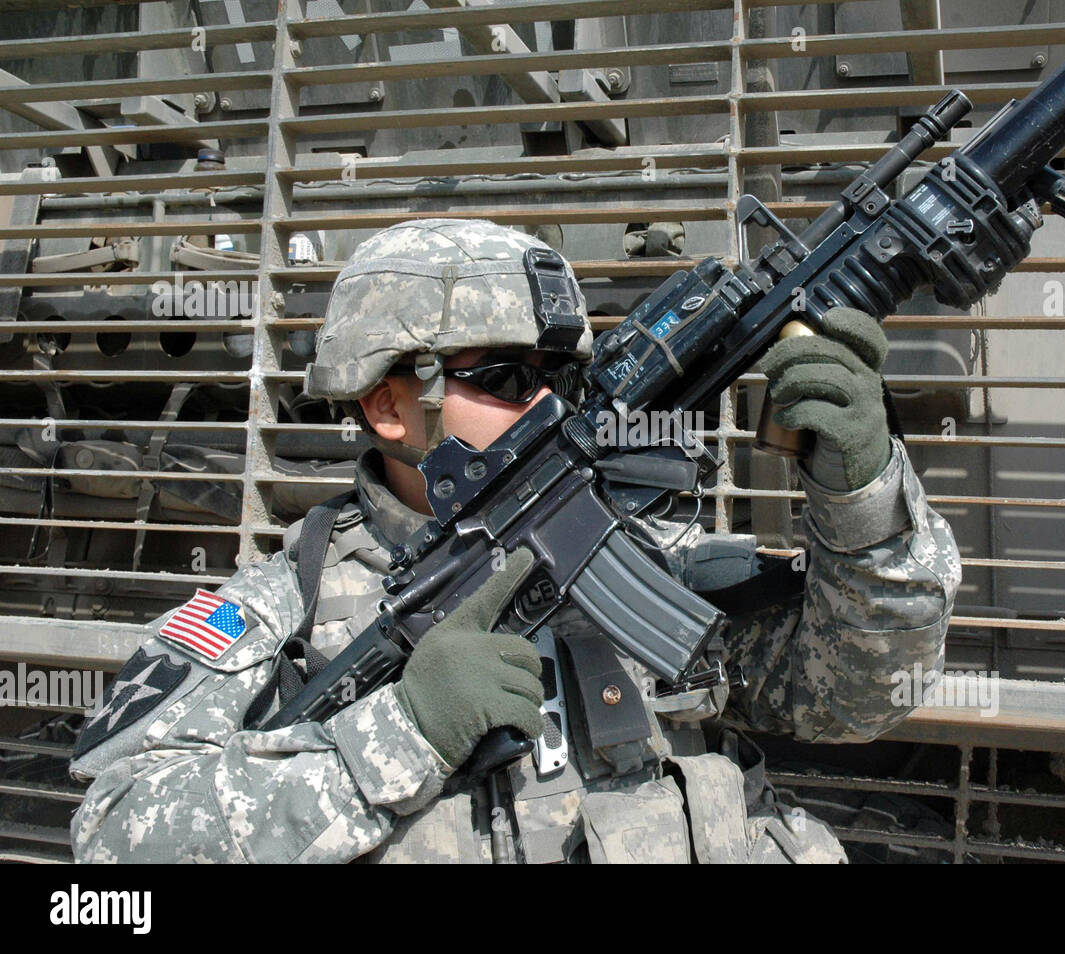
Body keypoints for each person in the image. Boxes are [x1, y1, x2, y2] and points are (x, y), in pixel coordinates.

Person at [69, 218, 960, 863]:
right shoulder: (278, 616)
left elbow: (859, 698)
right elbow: (111, 852)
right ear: (386, 403)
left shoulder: (640, 551)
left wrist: (860, 499)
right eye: (502, 375)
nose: (543, 403)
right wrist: (399, 733)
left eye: (556, 377)